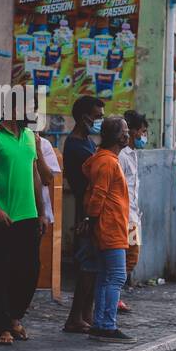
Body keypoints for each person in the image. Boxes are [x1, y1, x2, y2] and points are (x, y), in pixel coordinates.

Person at [0, 113, 47, 346]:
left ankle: (14, 316)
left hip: (29, 216)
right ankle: (2, 326)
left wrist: (42, 212)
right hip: (1, 218)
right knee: (2, 272)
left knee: (30, 271)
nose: (34, 114)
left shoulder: (29, 138)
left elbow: (35, 176)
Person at [82, 116, 134, 342]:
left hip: (110, 226)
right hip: (109, 227)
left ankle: (101, 323)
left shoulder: (105, 159)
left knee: (105, 277)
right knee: (116, 276)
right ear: (119, 136)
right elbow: (98, 197)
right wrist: (92, 220)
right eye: (125, 131)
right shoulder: (108, 162)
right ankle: (106, 324)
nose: (128, 135)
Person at [62, 95, 104, 334]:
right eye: (97, 117)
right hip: (86, 210)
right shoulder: (76, 145)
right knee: (87, 266)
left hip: (89, 209)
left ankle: (85, 315)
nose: (99, 121)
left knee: (93, 266)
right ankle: (75, 317)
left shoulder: (87, 141)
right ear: (85, 117)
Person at [118, 110, 149, 313]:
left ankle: (115, 294)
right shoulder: (121, 155)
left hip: (133, 215)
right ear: (134, 131)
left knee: (131, 257)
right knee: (128, 258)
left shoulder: (132, 154)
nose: (144, 136)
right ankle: (113, 295)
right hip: (124, 216)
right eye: (143, 131)